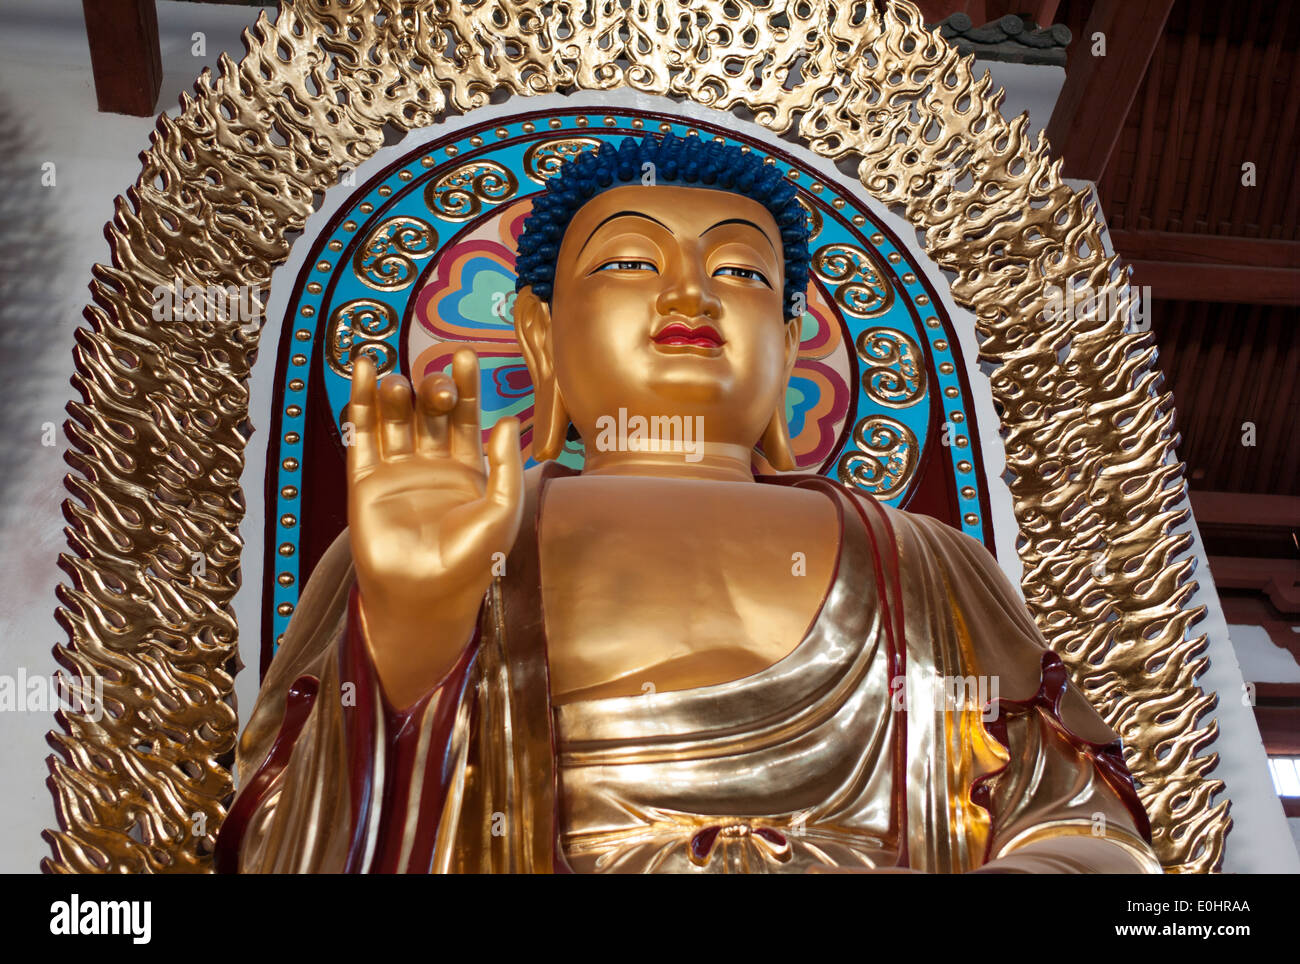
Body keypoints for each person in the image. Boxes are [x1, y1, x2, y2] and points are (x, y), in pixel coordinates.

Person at [216, 134, 1160, 873]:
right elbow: (273, 846)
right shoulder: (439, 538)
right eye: (629, 262)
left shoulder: (925, 558)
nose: (690, 294)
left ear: (789, 346)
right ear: (540, 336)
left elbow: (1096, 839)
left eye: (742, 273)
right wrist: (412, 651)